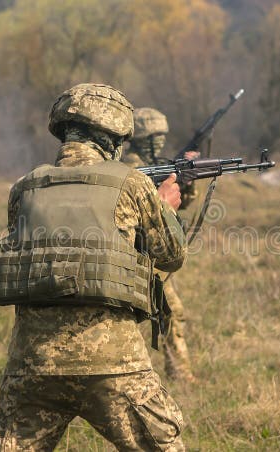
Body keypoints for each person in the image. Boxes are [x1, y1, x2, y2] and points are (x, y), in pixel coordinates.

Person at [0, 84, 188, 451]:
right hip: (115, 365)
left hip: (34, 363)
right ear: (115, 135)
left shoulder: (24, 188)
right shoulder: (133, 185)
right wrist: (164, 207)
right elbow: (170, 255)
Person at [123, 107, 197, 383]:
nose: (159, 141)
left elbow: (178, 205)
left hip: (152, 253)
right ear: (139, 136)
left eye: (162, 135)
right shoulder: (130, 168)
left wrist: (185, 183)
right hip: (135, 253)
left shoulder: (157, 164)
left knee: (171, 311)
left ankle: (179, 374)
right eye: (153, 135)